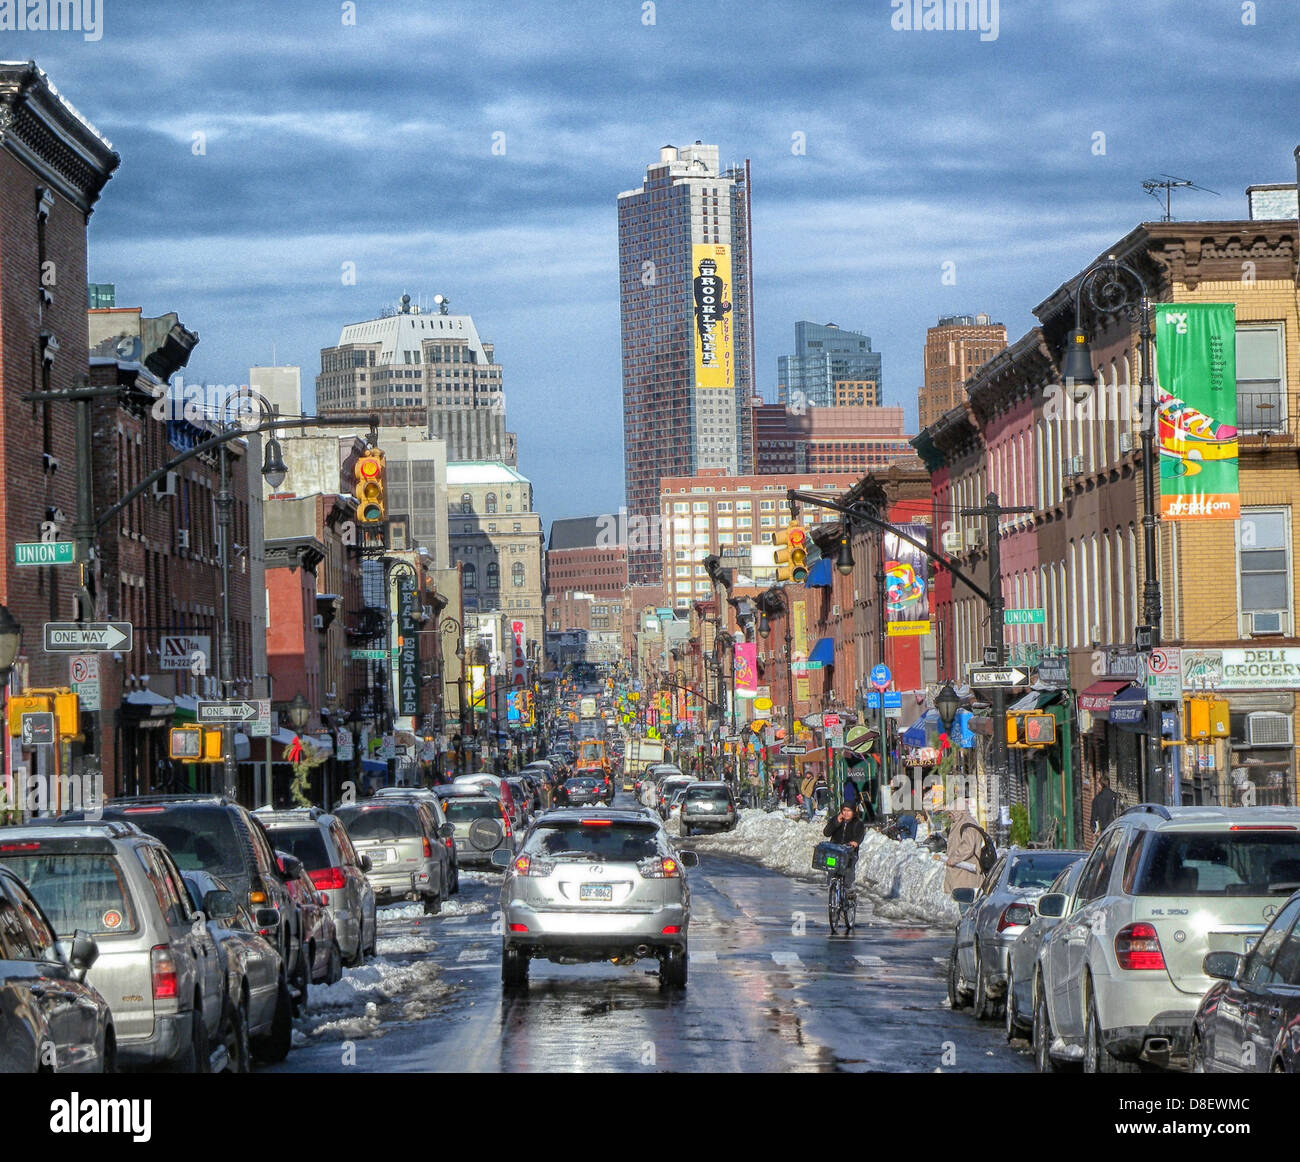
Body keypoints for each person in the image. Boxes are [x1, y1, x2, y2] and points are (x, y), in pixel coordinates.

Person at [943, 798, 985, 897]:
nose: (949, 815)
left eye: (951, 812)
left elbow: (968, 847)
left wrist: (953, 859)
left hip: (966, 876)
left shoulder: (968, 825)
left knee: (965, 906)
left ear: (958, 812)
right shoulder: (958, 823)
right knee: (961, 904)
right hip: (960, 875)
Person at [823, 802, 867, 895]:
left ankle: (849, 890)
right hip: (835, 853)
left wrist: (855, 842)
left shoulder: (857, 823)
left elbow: (860, 835)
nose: (846, 813)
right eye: (844, 810)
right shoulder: (837, 819)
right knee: (831, 869)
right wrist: (836, 822)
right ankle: (833, 892)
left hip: (849, 853)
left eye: (849, 811)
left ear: (853, 812)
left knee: (848, 871)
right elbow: (826, 833)